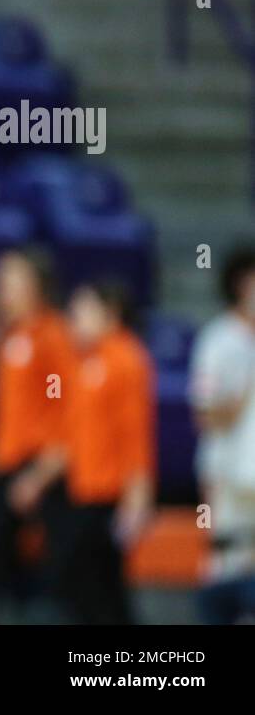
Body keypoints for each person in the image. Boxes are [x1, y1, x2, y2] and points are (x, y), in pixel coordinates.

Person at [0, 248, 75, 623]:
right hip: (6, 468)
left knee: (65, 574)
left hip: (42, 472)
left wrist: (39, 476)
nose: (1, 287)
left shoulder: (53, 336)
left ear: (35, 285)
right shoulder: (13, 337)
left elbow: (67, 412)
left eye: (10, 278)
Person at [51, 281, 155, 624]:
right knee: (96, 587)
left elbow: (135, 431)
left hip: (108, 493)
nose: (73, 319)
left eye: (82, 310)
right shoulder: (83, 362)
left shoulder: (126, 357)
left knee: (94, 586)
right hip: (82, 489)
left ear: (109, 313)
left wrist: (137, 494)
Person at [189, 245, 255, 624]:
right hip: (227, 475)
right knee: (224, 565)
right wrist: (244, 392)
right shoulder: (218, 340)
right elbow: (206, 414)